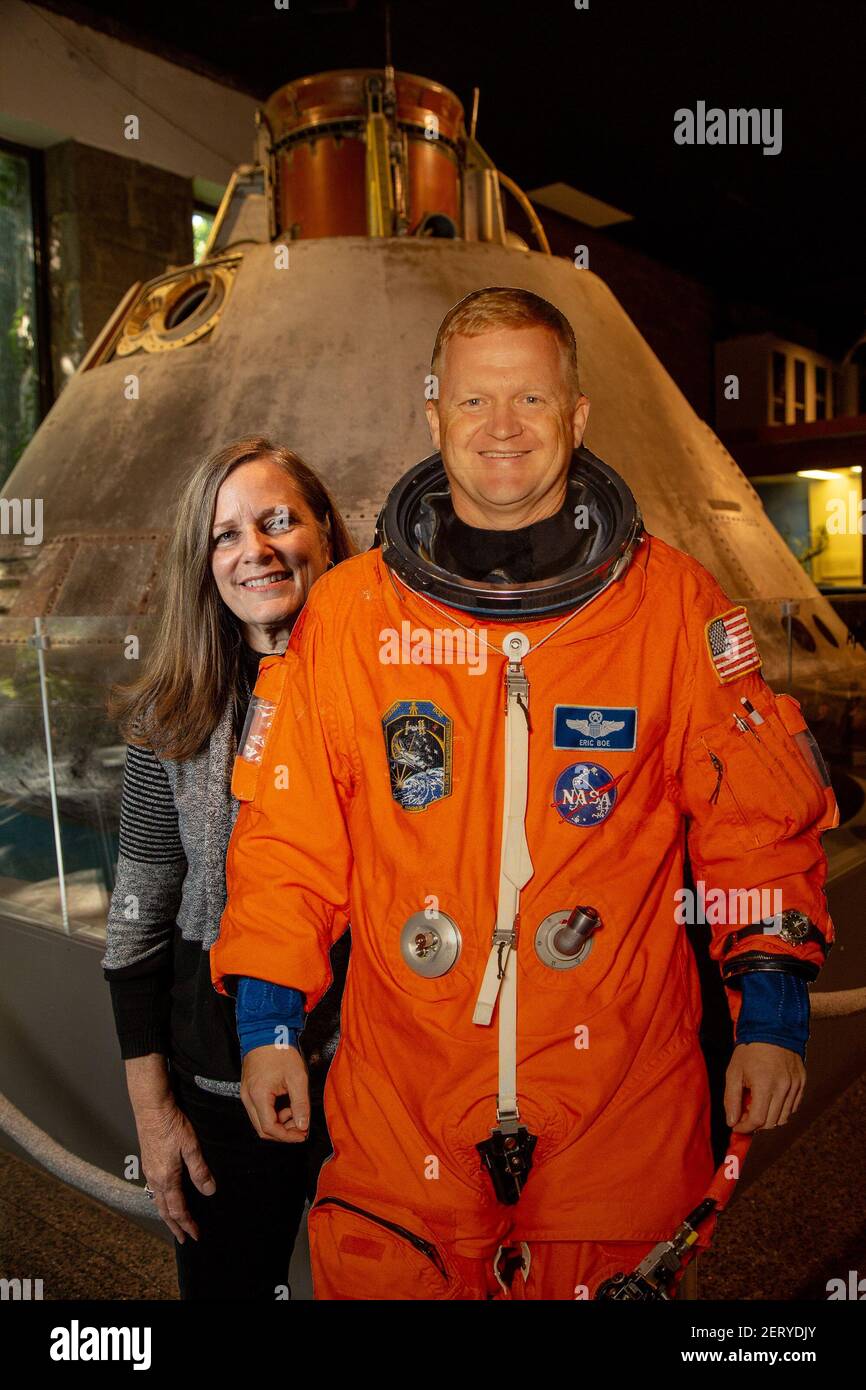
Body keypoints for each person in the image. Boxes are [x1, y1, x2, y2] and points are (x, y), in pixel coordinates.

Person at [211, 290, 839, 1301]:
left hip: (620, 1100)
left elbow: (752, 829)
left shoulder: (671, 607)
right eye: (473, 401)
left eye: (531, 399)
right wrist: (269, 1025)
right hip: (401, 1102)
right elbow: (288, 841)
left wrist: (769, 1014)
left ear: (576, 416)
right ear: (433, 416)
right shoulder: (349, 615)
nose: (501, 427)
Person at [102, 436, 355, 1300]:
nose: (256, 549)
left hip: (380, 1061)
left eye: (278, 520)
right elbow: (138, 915)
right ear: (202, 561)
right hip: (220, 1071)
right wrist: (154, 1110)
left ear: (324, 530)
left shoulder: (400, 689)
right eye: (226, 534)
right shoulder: (169, 717)